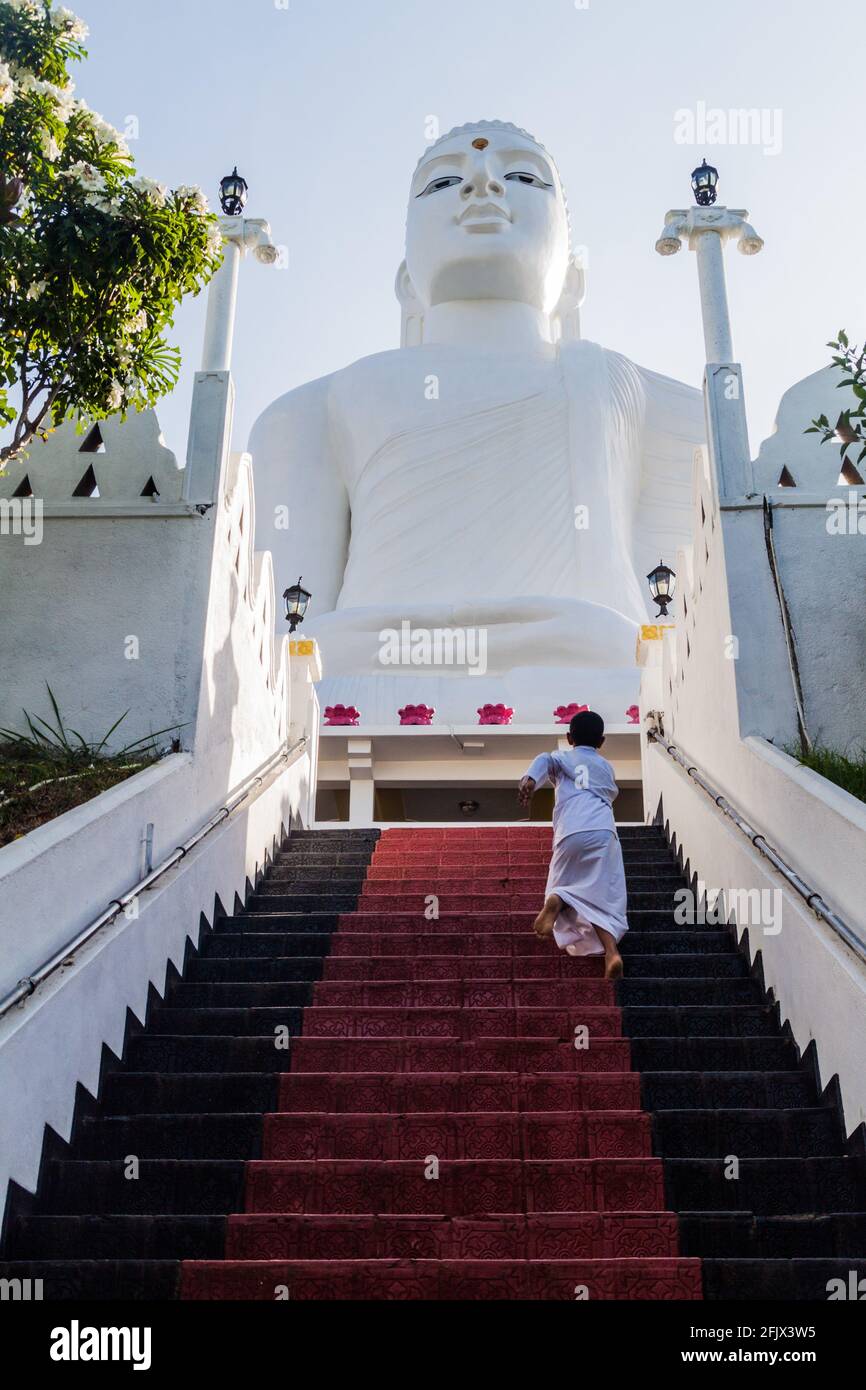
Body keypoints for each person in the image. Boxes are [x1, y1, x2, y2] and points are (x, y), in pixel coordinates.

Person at [518, 710, 627, 980]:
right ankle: (612, 952)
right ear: (601, 742)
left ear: (568, 738)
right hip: (603, 832)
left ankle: (557, 899)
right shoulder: (606, 767)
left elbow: (545, 759)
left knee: (563, 881)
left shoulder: (562, 758)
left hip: (571, 831)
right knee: (605, 899)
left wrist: (531, 779)